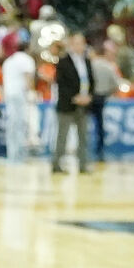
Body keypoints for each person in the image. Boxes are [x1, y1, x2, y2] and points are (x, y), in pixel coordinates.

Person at [50, 31, 93, 174]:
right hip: (67, 105)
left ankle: (83, 164)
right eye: (76, 43)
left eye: (81, 43)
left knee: (83, 137)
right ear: (71, 45)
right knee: (62, 136)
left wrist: (88, 96)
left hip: (84, 104)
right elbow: (61, 84)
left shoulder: (86, 61)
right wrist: (73, 97)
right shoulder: (63, 62)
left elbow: (91, 81)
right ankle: (57, 164)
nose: (79, 46)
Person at [1, 38, 39, 161]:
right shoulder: (27, 60)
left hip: (8, 94)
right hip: (21, 95)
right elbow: (28, 78)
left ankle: (11, 151)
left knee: (11, 123)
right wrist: (32, 93)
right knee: (23, 122)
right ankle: (20, 152)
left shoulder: (8, 61)